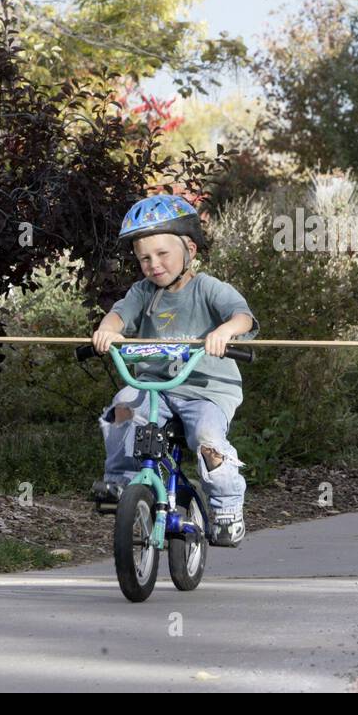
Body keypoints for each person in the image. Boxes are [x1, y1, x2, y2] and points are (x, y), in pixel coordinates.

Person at [89, 194, 259, 547]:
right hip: (155, 388)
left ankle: (227, 507)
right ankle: (120, 480)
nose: (153, 265)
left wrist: (224, 332)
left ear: (190, 251)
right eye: (144, 259)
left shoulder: (208, 288)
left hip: (206, 391)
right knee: (121, 408)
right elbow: (119, 314)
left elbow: (242, 316)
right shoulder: (143, 292)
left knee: (208, 441)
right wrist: (108, 329)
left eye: (162, 254)